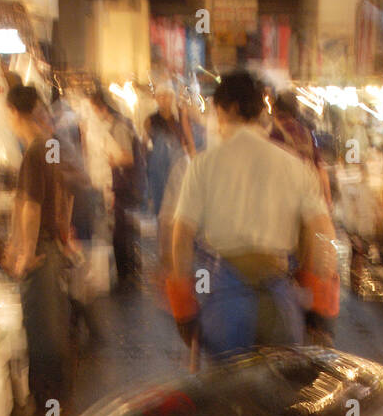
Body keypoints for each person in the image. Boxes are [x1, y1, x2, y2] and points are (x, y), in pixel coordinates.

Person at [168, 71, 339, 359]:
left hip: (225, 305)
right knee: (281, 399)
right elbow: (324, 233)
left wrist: (184, 310)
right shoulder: (294, 166)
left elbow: (181, 238)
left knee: (228, 398)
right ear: (261, 110)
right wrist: (318, 304)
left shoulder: (203, 166)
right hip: (279, 302)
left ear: (226, 109)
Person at [3, 83, 76, 416]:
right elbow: (59, 197)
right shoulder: (48, 146)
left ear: (15, 112)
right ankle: (56, 400)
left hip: (42, 252)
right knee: (51, 325)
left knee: (42, 331)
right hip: (51, 245)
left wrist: (25, 254)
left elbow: (31, 207)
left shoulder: (35, 151)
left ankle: (50, 410)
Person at [88, 88, 143, 288]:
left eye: (94, 108)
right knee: (122, 228)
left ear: (103, 107)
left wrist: (110, 160)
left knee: (121, 230)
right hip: (123, 184)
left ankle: (126, 275)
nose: (94, 113)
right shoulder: (114, 124)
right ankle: (127, 272)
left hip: (124, 185)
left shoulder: (119, 126)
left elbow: (127, 157)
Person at [144, 84, 189, 217]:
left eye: (167, 96)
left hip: (177, 167)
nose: (164, 99)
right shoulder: (150, 120)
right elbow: (146, 144)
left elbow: (185, 142)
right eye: (160, 96)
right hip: (158, 170)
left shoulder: (179, 119)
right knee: (161, 209)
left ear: (172, 98)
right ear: (156, 99)